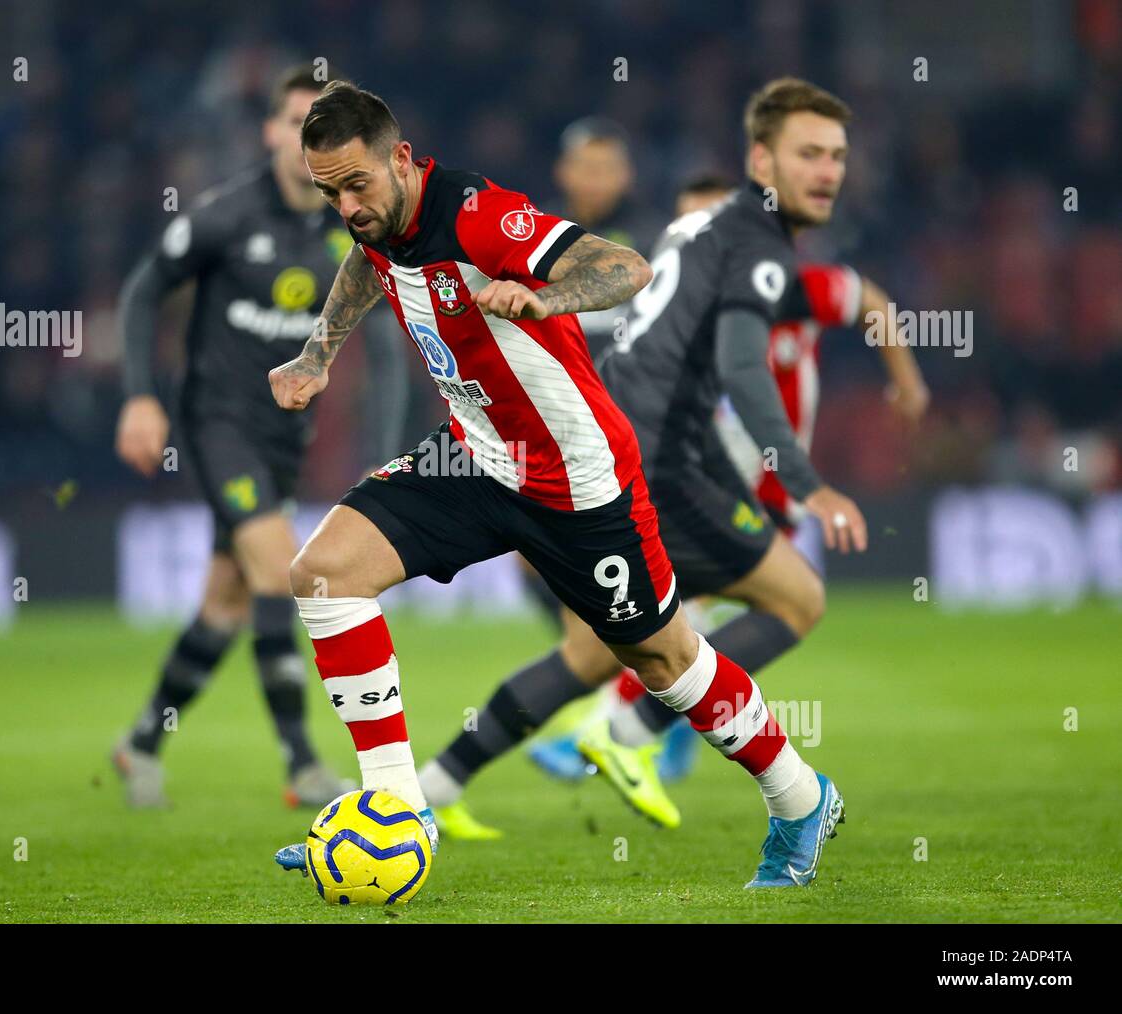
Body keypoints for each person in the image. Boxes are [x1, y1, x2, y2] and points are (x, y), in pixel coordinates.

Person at [268, 79, 843, 890]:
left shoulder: (476, 214)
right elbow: (370, 264)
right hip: (475, 456)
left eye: (357, 184)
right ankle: (395, 810)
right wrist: (319, 353)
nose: (348, 207)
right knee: (323, 574)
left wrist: (542, 296)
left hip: (577, 478)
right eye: (330, 194)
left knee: (665, 659)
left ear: (400, 159)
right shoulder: (377, 221)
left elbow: (624, 267)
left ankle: (798, 798)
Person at [418, 78, 869, 864]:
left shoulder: (695, 226)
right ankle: (632, 733)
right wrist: (805, 481)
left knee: (594, 653)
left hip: (599, 448)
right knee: (797, 597)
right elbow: (740, 363)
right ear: (760, 159)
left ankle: (433, 790)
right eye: (808, 154)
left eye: (837, 156)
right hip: (656, 459)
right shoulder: (753, 241)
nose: (827, 171)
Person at [110, 65, 406, 810]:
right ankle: (302, 764)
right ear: (273, 132)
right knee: (283, 573)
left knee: (226, 603)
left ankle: (140, 743)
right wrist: (141, 398)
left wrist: (391, 440)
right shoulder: (225, 216)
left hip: (282, 440)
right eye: (297, 124)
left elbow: (391, 341)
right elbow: (145, 289)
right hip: (217, 424)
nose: (310, 143)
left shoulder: (353, 223)